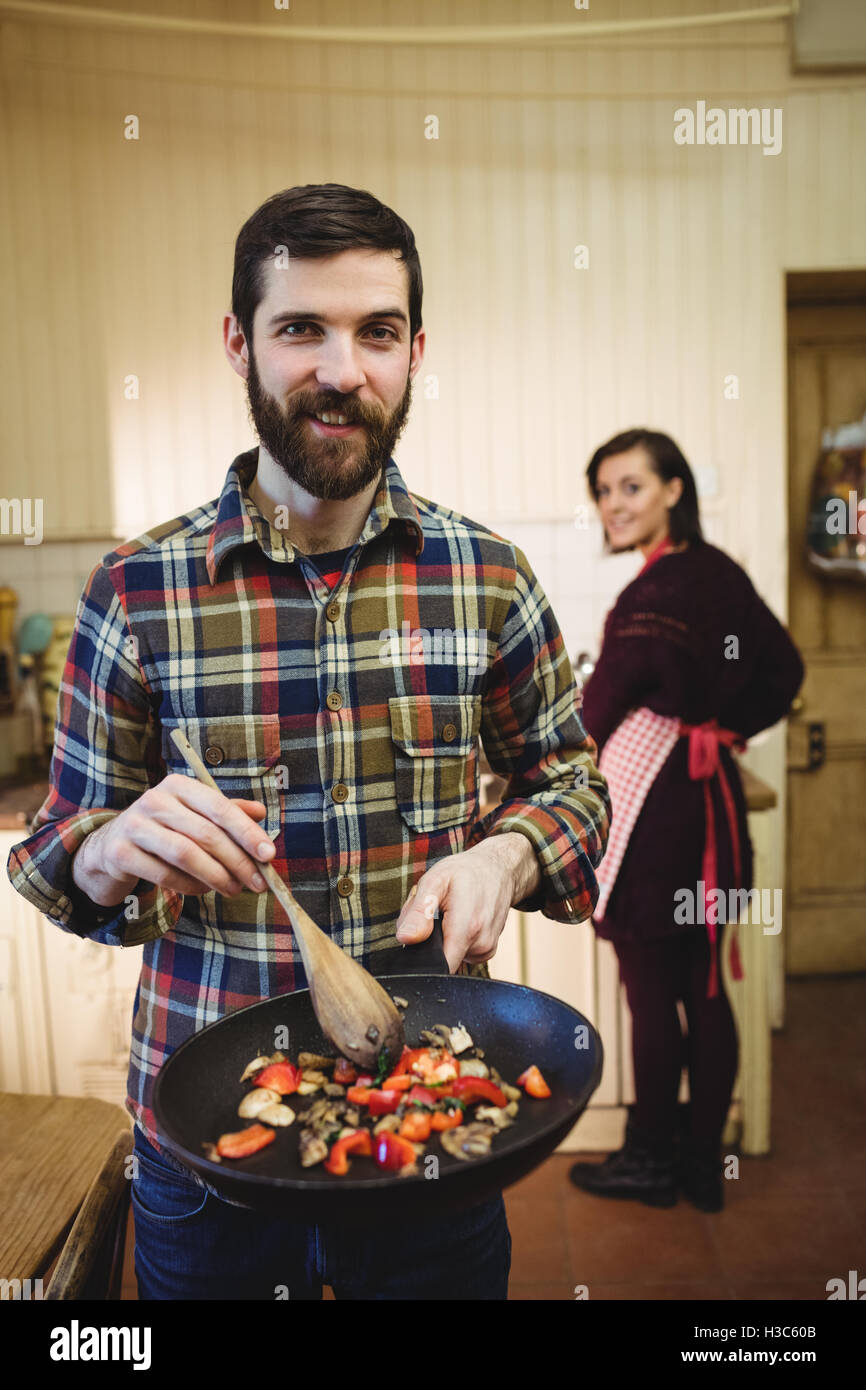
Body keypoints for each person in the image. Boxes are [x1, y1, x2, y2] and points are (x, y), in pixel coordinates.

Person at [7, 183, 610, 1300]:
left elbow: (573, 781)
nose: (342, 369)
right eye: (301, 329)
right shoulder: (136, 589)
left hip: (433, 1124)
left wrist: (504, 853)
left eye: (376, 331)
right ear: (239, 342)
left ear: (414, 350)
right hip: (206, 1151)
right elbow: (56, 852)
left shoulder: (486, 579)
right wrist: (113, 845)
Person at [568, 428, 803, 1212]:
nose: (613, 504)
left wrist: (554, 750)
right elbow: (786, 670)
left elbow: (597, 709)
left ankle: (647, 1161)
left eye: (630, 487)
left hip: (658, 819)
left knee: (648, 991)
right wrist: (720, 725)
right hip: (712, 808)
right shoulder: (720, 575)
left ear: (675, 489)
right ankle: (702, 1169)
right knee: (705, 987)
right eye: (603, 491)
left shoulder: (653, 592)